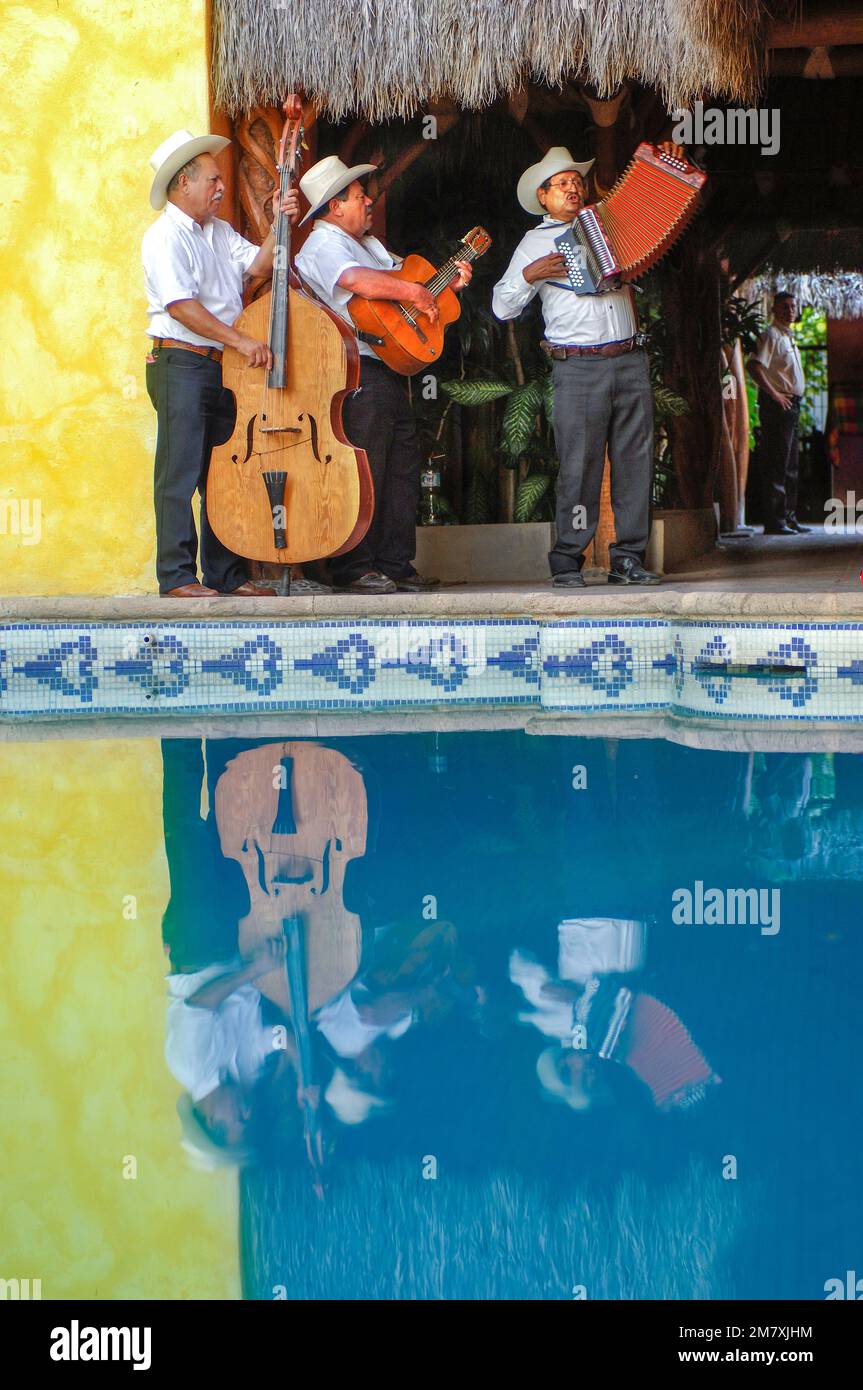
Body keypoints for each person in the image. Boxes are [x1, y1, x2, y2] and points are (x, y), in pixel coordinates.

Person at [492, 145, 685, 588]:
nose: (573, 188)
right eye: (562, 184)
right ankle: (566, 561)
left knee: (635, 462)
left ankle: (628, 559)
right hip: (577, 368)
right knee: (579, 466)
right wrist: (530, 275)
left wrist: (667, 172)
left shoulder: (609, 228)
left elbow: (649, 228)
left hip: (629, 360)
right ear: (543, 197)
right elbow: (501, 306)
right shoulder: (533, 244)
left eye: (576, 182)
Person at [295, 156, 472, 594]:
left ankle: (395, 563)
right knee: (365, 465)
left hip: (387, 366)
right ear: (334, 207)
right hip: (353, 370)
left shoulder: (369, 244)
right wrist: (412, 290)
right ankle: (354, 566)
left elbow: (409, 286)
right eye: (359, 196)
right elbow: (360, 282)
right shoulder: (322, 244)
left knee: (399, 466)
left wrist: (444, 284)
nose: (369, 200)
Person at [142, 129, 299, 598]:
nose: (221, 187)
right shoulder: (164, 237)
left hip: (218, 366)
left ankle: (225, 576)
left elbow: (257, 267)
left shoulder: (220, 231)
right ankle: (176, 578)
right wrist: (241, 342)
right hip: (181, 364)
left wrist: (278, 223)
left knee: (222, 472)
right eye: (211, 179)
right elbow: (180, 307)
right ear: (182, 183)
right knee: (180, 473)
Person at [747, 292, 810, 535]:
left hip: (793, 404)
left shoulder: (788, 336)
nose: (790, 311)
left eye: (793, 306)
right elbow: (753, 366)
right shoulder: (771, 335)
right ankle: (775, 521)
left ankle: (789, 517)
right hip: (778, 405)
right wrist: (774, 395)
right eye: (784, 307)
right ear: (774, 309)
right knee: (777, 463)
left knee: (791, 464)